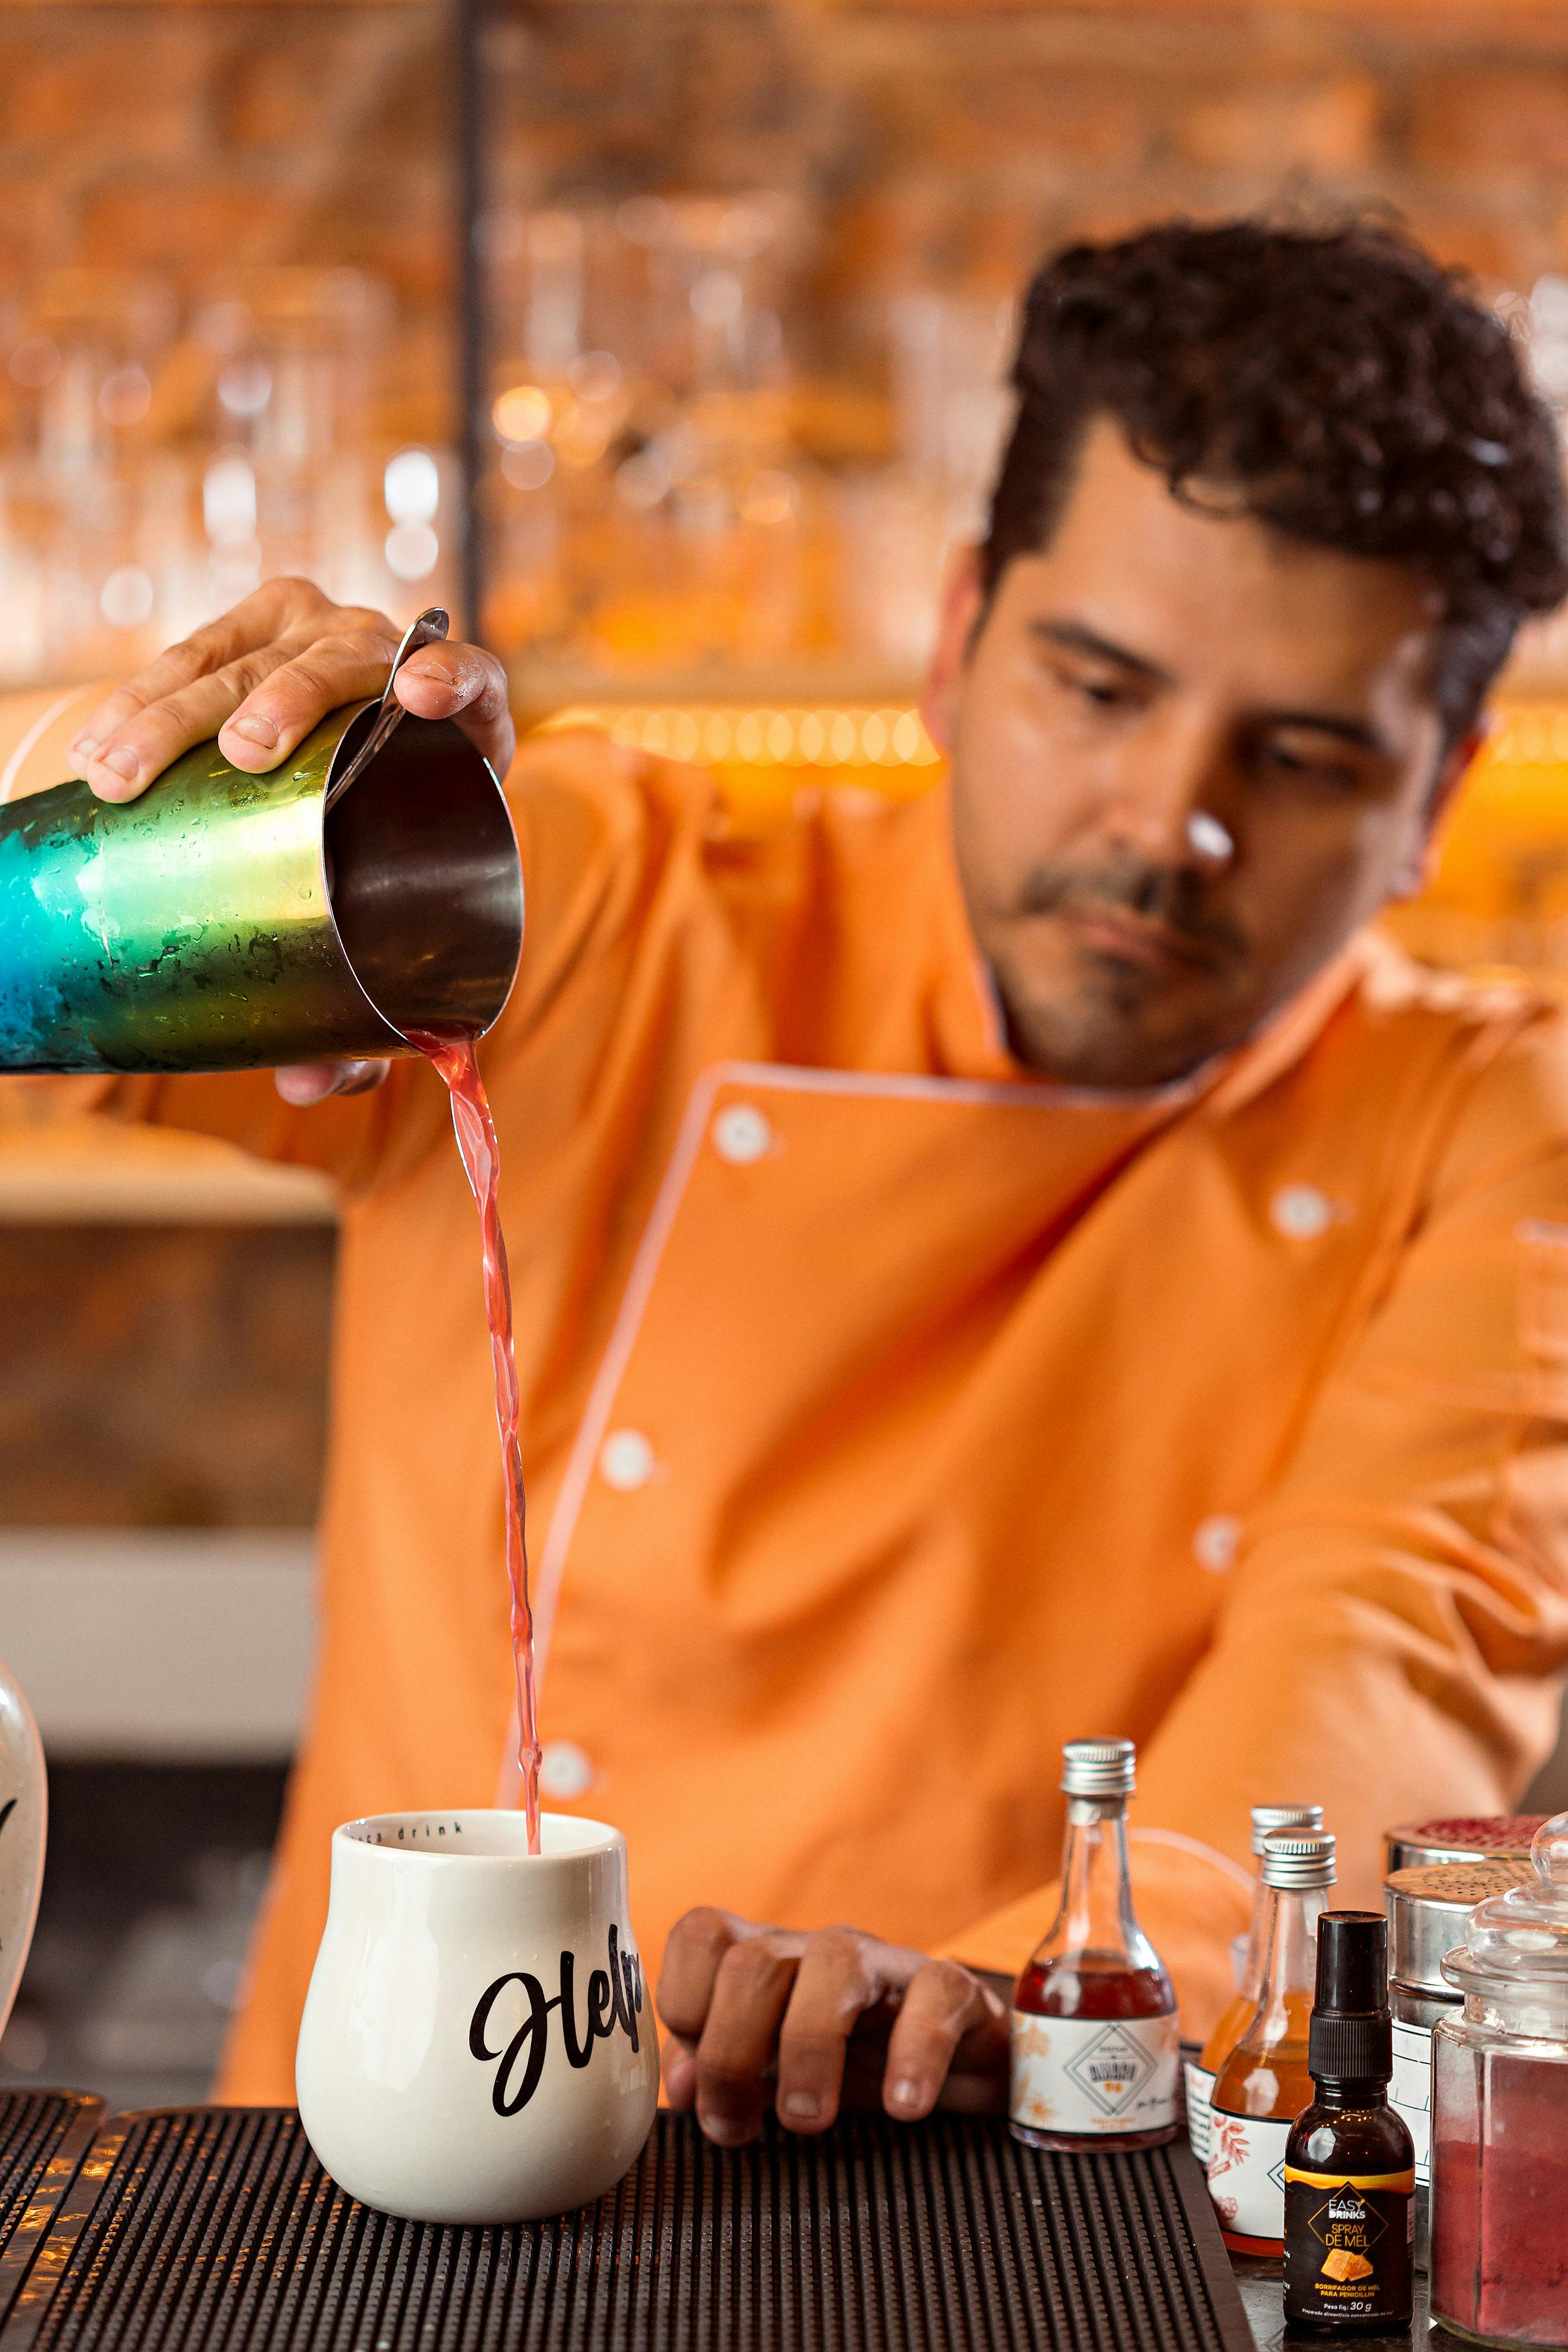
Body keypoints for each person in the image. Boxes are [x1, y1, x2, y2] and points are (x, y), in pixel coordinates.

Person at [5, 218, 1568, 2140]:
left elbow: (1382, 1663)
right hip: (382, 2214)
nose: (1171, 823)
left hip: (1005, 2209)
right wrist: (211, 809)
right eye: (1096, 687)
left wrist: (1018, 1993)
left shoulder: (1487, 1128)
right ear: (956, 636)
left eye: (1311, 753)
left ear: (1441, 791)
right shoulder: (598, 903)